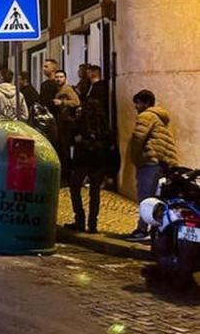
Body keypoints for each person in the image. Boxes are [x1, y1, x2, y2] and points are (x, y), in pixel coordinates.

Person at [125, 90, 179, 242]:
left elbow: (138, 138)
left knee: (146, 198)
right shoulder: (159, 118)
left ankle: (142, 230)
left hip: (150, 161)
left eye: (137, 103)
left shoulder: (146, 116)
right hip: (162, 162)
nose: (136, 106)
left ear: (146, 103)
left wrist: (136, 159)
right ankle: (156, 231)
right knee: (157, 197)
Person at [64, 83, 112, 234]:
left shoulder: (81, 122)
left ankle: (80, 219)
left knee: (75, 188)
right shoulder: (103, 124)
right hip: (98, 162)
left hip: (82, 161)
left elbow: (72, 137)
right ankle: (92, 224)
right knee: (95, 193)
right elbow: (108, 142)